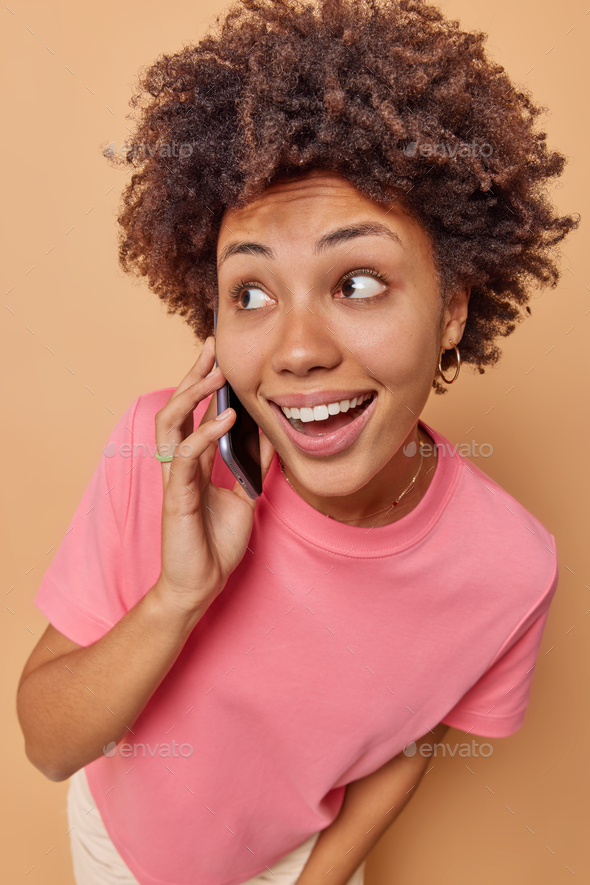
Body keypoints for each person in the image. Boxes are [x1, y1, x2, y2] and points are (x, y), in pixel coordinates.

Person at [16, 1, 578, 883]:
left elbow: (412, 740)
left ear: (454, 306)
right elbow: (49, 745)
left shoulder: (513, 568)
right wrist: (180, 594)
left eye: (356, 281)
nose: (299, 350)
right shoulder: (170, 455)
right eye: (250, 293)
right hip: (117, 846)